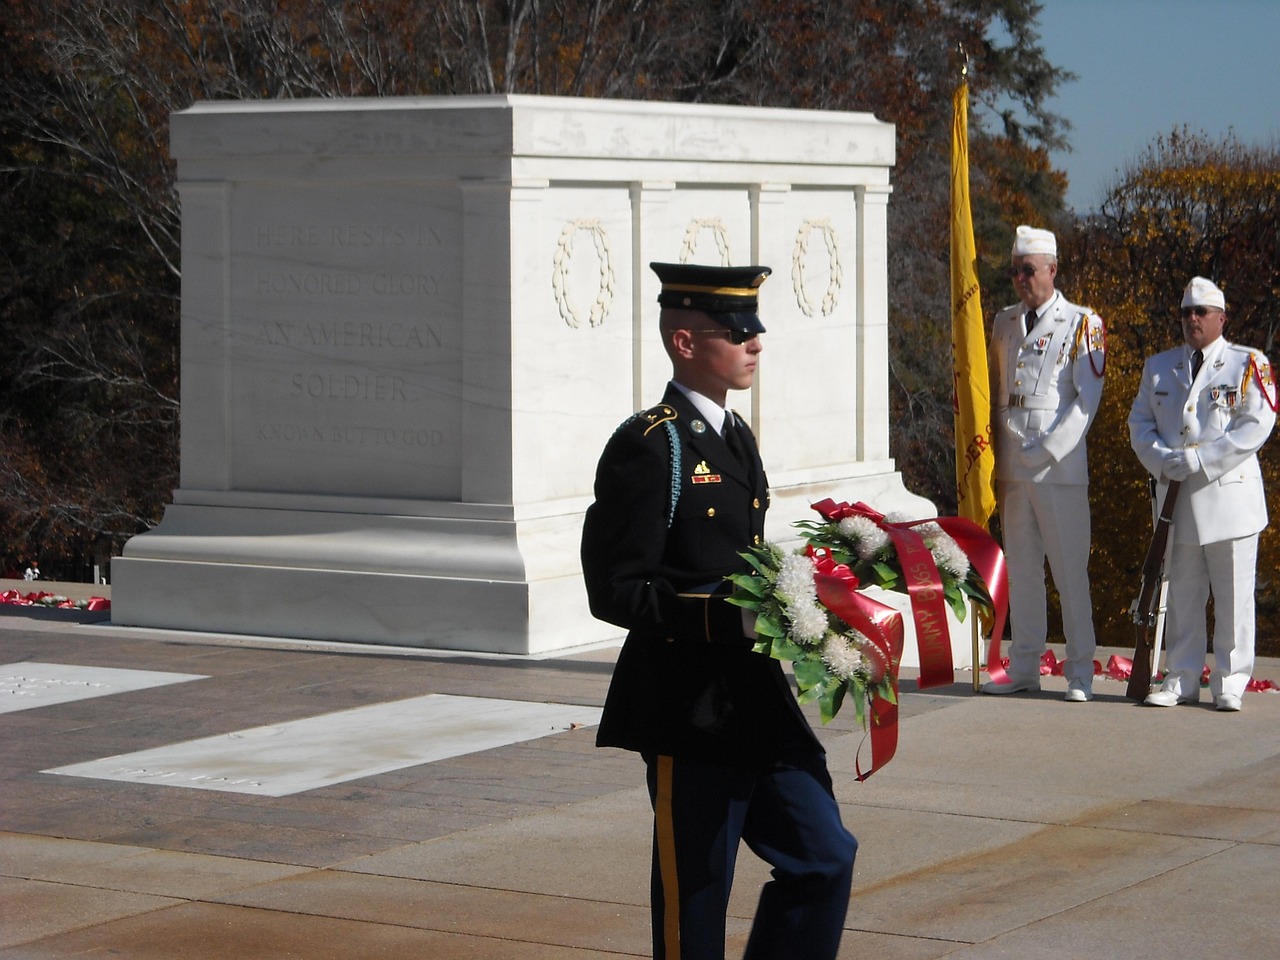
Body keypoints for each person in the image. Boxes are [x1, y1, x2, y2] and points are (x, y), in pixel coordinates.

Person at [581, 261, 856, 960]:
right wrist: (721, 619)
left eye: (754, 329)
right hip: (688, 707)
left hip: (755, 701)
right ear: (684, 341)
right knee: (693, 914)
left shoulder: (736, 438)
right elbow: (616, 587)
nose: (753, 343)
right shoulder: (651, 445)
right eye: (734, 331)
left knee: (824, 855)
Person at [1128, 277, 1276, 712]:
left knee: (1233, 597)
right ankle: (1181, 676)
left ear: (1221, 318)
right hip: (1177, 501)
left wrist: (1204, 459)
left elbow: (1257, 424)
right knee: (1183, 595)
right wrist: (1160, 458)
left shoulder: (1248, 363)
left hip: (1229, 501)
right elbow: (1139, 424)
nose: (1192, 319)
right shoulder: (1159, 366)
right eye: (1186, 312)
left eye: (1201, 312)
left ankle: (1230, 680)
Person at [982, 226, 1107, 701]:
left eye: (1028, 270)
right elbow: (996, 395)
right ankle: (1025, 665)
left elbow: (1085, 403)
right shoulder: (1004, 322)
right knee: (1023, 569)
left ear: (1052, 270)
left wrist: (1052, 449)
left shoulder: (1081, 322)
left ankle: (1079, 670)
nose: (1020, 278)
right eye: (1015, 270)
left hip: (1059, 470)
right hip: (1014, 465)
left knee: (1069, 571)